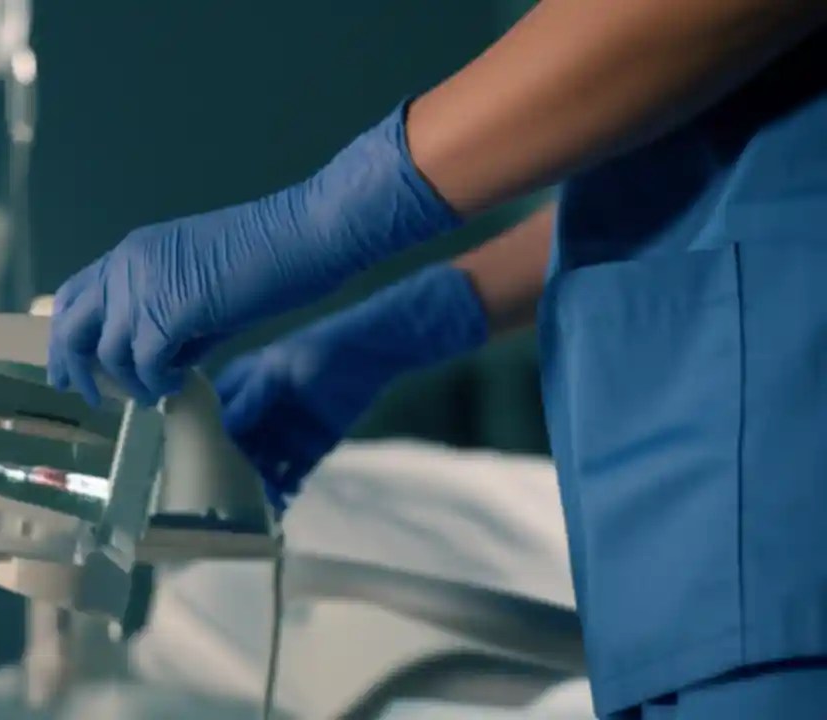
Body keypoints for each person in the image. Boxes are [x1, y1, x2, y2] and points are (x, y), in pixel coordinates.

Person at [47, 2, 827, 718]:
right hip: (718, 550)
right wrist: (422, 316)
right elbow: (701, 155)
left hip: (780, 515)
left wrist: (326, 214)